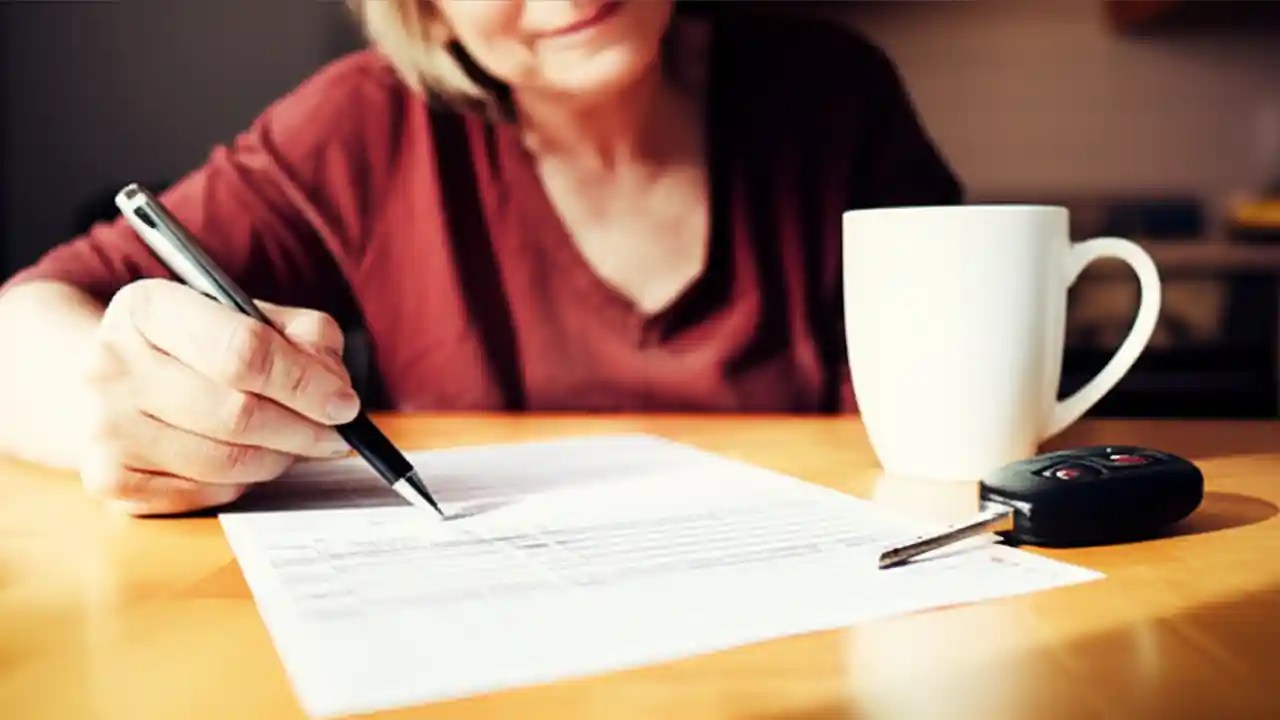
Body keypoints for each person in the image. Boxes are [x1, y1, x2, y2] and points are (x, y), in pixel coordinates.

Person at [0, 0, 960, 516]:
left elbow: (964, 389)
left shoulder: (834, 94)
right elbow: (19, 325)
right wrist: (114, 409)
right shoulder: (363, 128)